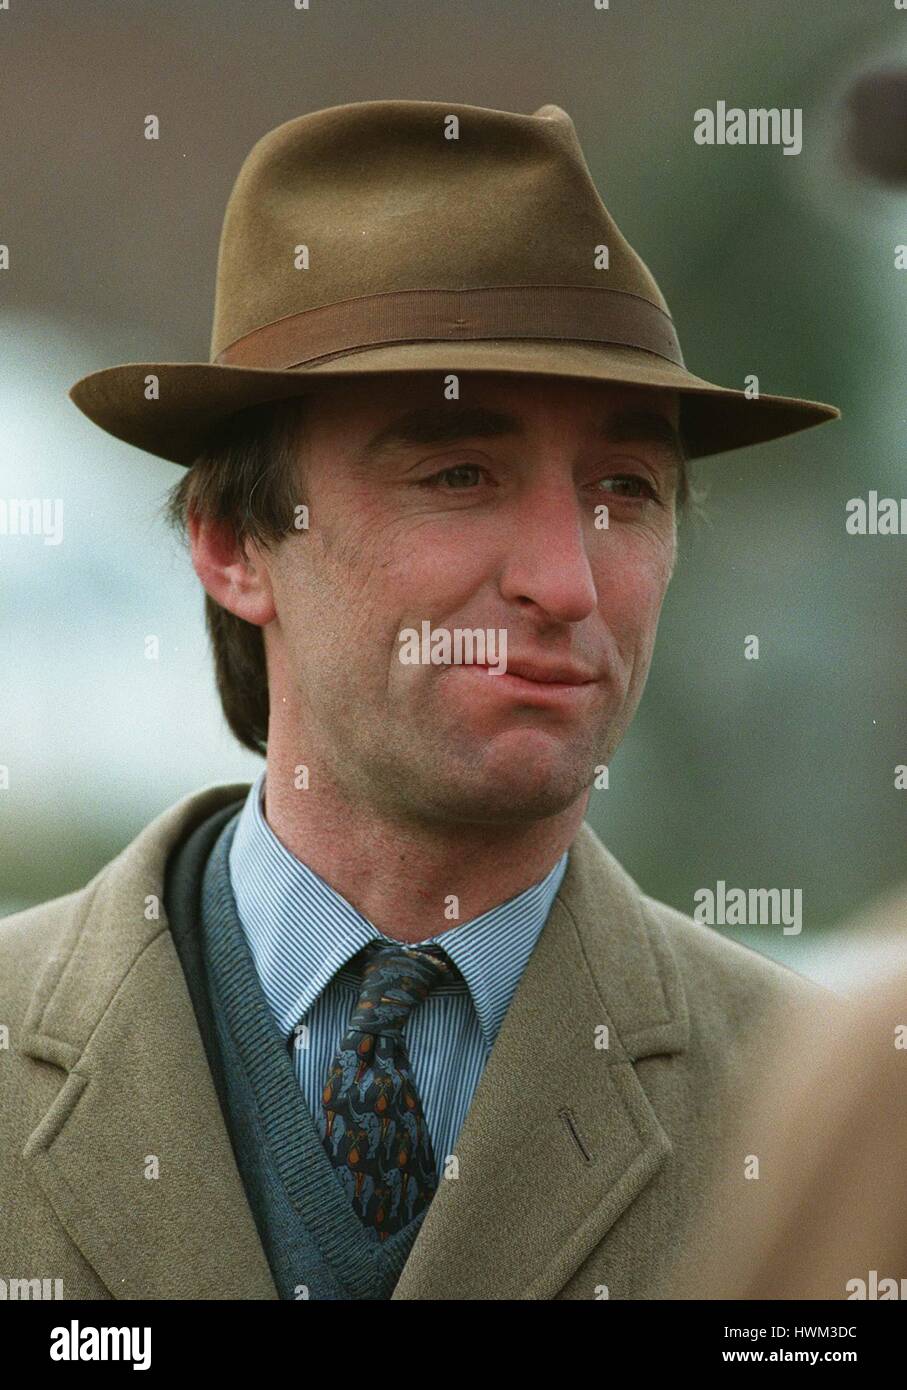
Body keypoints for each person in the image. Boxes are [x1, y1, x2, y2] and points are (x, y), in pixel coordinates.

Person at [0, 98, 841, 1300]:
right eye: (457, 473)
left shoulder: (828, 1120)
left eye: (626, 487)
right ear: (236, 540)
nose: (566, 580)